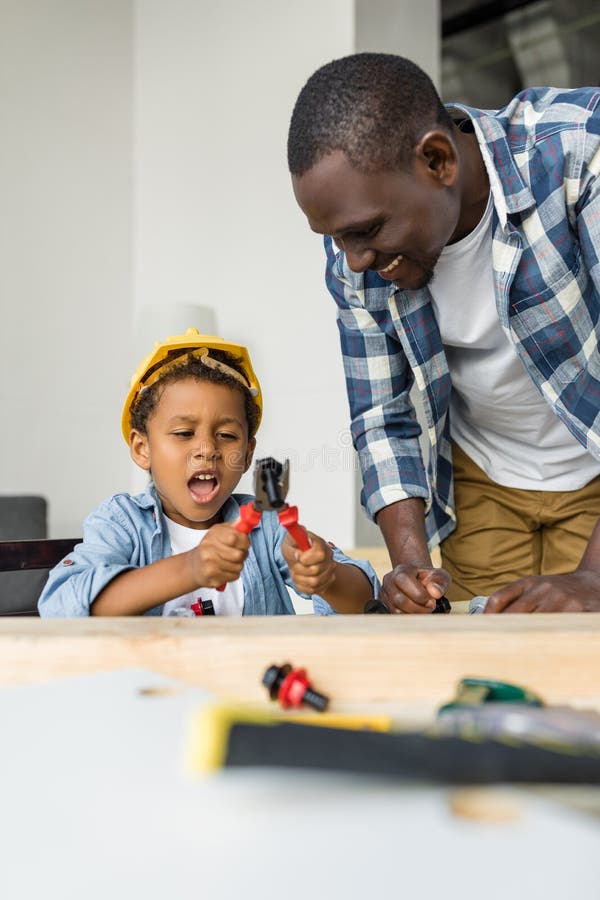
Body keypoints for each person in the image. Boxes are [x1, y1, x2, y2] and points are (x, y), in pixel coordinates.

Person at [287, 52, 600, 614]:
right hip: (482, 481)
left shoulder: (580, 155)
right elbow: (383, 417)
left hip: (593, 469)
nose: (353, 261)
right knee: (484, 668)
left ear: (437, 160)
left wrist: (596, 577)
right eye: (335, 238)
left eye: (367, 231)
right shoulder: (357, 255)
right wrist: (409, 564)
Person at [38, 328, 378, 617]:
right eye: (184, 434)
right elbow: (62, 604)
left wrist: (328, 577)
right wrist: (191, 568)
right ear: (143, 449)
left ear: (247, 454)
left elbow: (366, 602)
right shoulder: (121, 523)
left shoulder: (267, 527)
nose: (207, 449)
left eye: (227, 435)